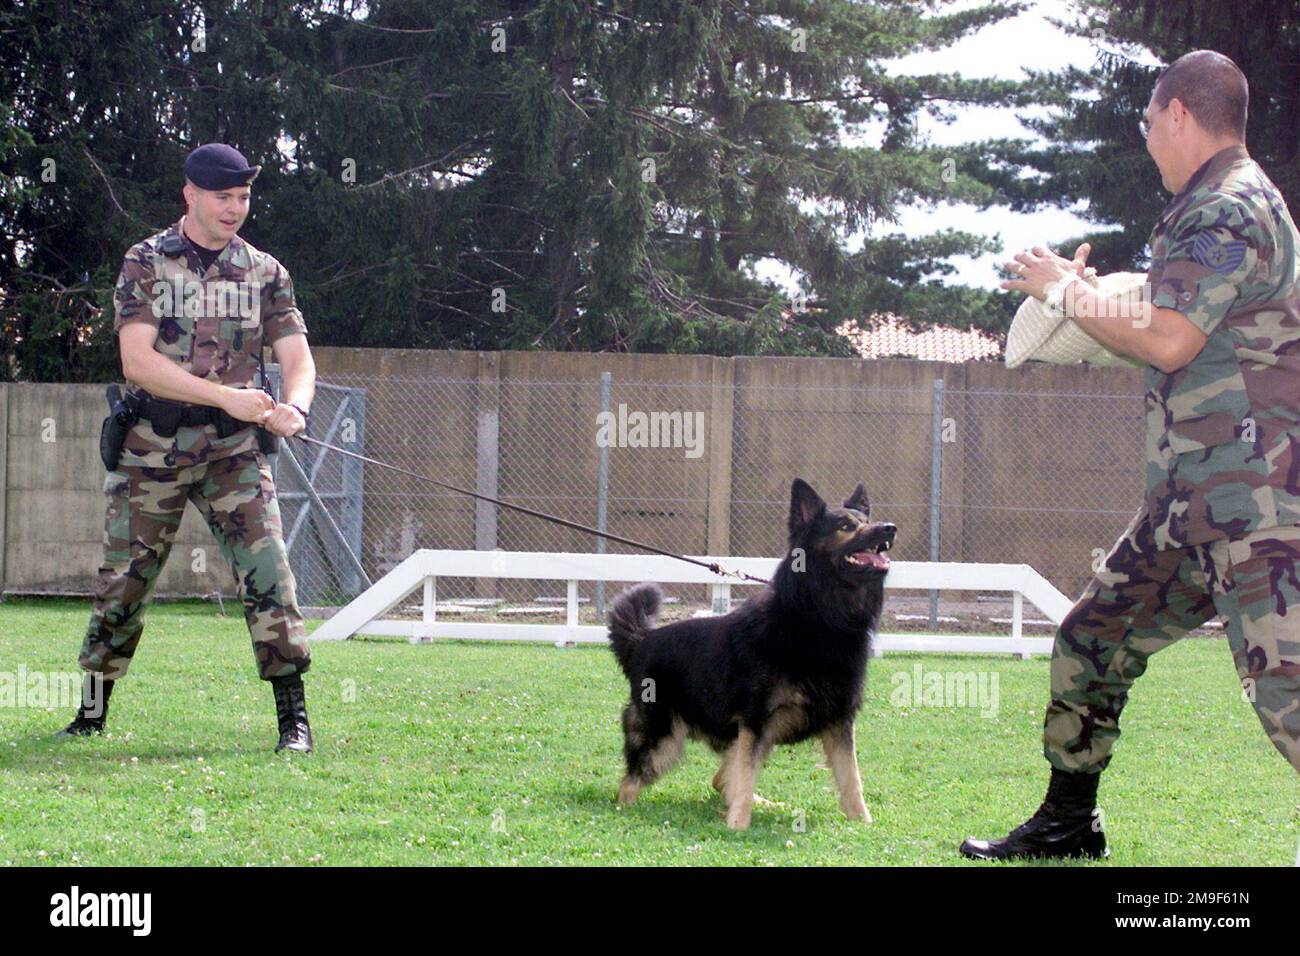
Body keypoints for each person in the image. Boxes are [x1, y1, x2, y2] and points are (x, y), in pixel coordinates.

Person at [963, 50, 1300, 860]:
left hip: (1254, 511)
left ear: (1177, 114)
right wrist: (1093, 308)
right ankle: (1069, 824)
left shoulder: (1228, 207)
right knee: (1091, 639)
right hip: (1192, 508)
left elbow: (1172, 338)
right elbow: (1168, 320)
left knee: (1289, 703)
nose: (1146, 136)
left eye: (1149, 121)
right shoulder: (1209, 208)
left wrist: (1060, 291)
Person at [59, 143, 318, 753]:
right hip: (153, 446)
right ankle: (92, 713)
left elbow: (297, 357)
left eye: (244, 197)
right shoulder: (146, 261)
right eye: (224, 197)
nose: (236, 209)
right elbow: (138, 361)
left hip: (234, 453)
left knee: (270, 573)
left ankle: (293, 722)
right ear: (191, 196)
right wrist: (227, 396)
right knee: (125, 581)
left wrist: (297, 408)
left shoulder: (265, 272)